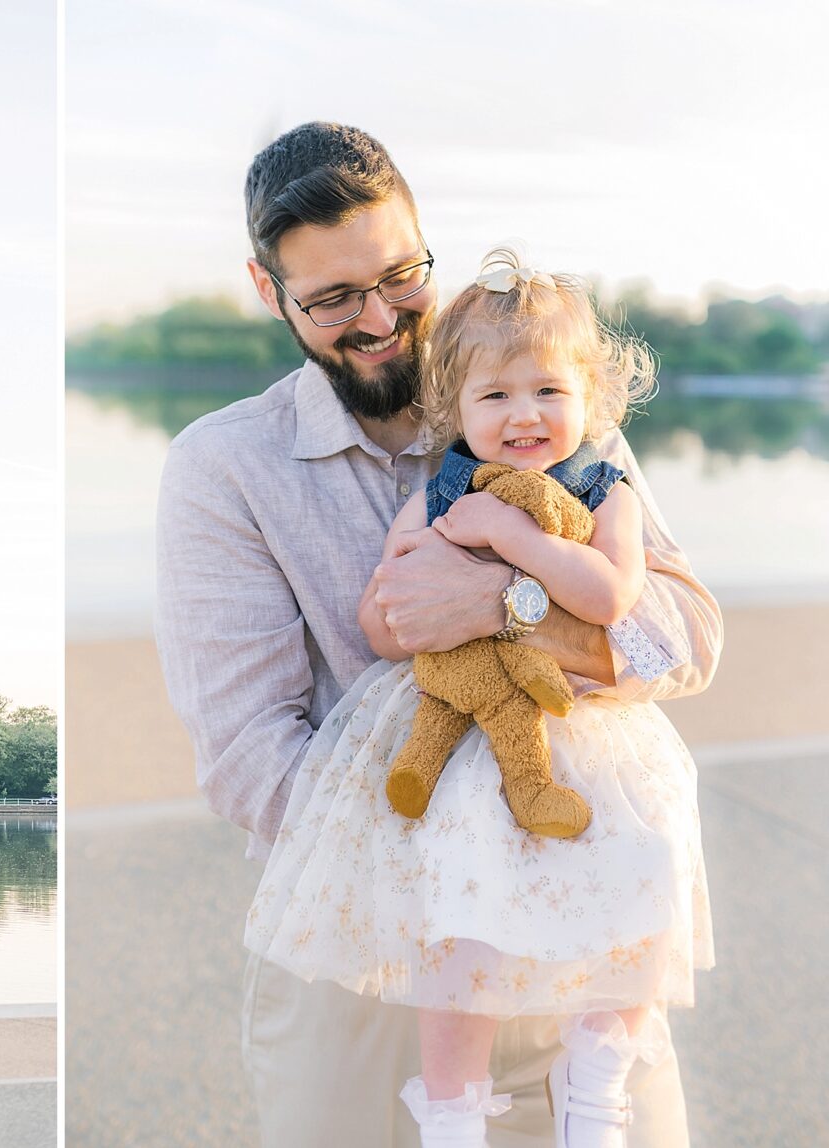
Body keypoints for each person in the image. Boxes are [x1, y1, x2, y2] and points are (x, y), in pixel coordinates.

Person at [154, 123, 721, 1147]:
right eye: (331, 297)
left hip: (582, 938)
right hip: (370, 967)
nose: (377, 319)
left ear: (427, 246)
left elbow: (685, 635)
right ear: (265, 287)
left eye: (400, 275)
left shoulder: (552, 404)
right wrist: (462, 867)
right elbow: (249, 764)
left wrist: (507, 605)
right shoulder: (222, 469)